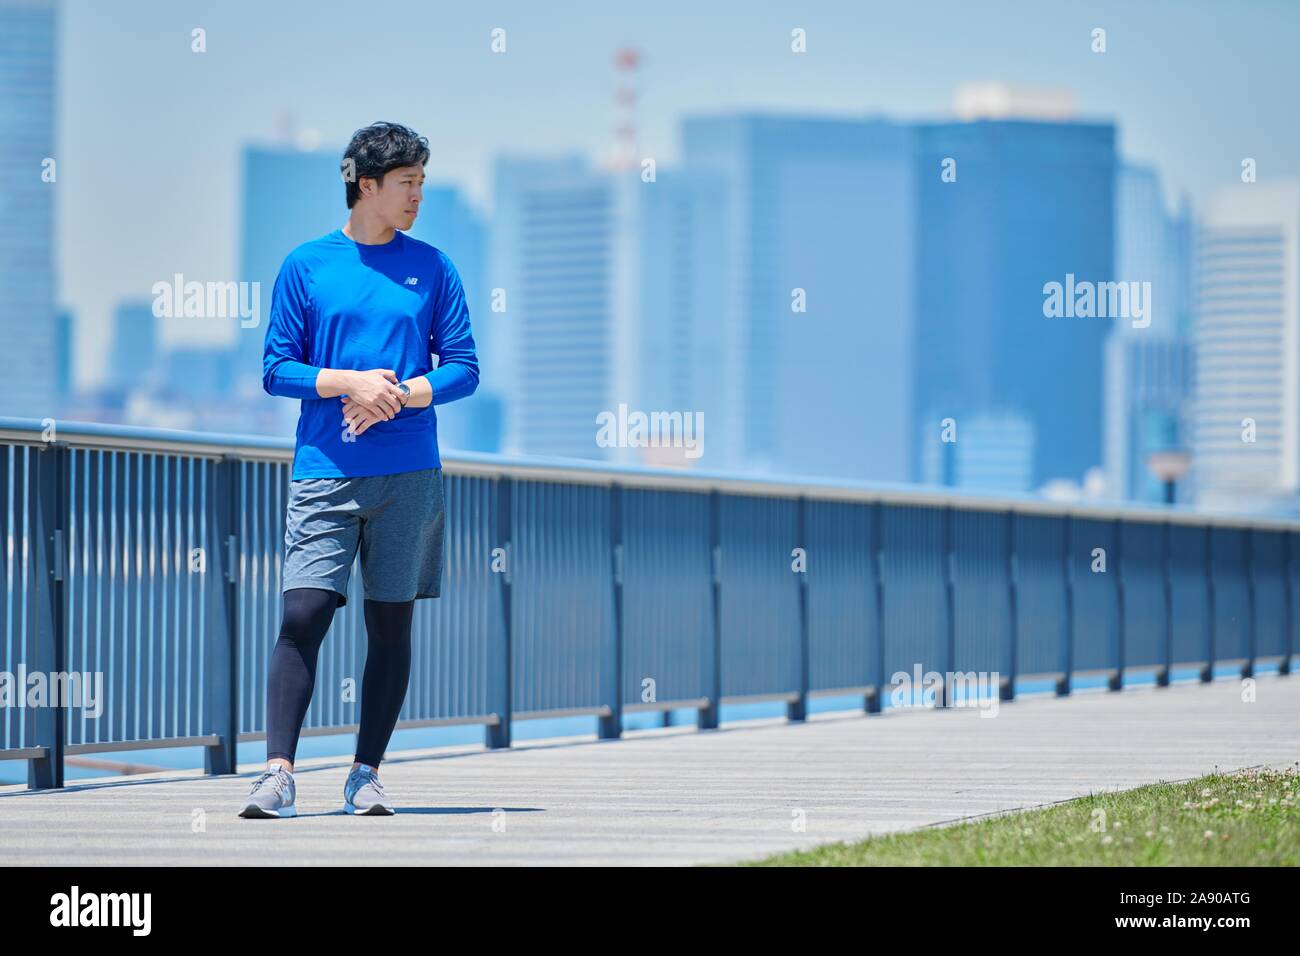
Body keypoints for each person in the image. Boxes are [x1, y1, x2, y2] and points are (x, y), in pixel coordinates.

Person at [238, 121, 479, 818]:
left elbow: (464, 368)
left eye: (422, 183)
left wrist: (397, 393)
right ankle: (278, 775)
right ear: (365, 185)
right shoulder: (306, 265)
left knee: (390, 624)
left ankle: (365, 774)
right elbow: (276, 369)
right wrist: (347, 382)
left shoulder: (433, 267)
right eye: (407, 183)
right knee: (303, 612)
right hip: (324, 470)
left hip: (410, 473)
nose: (417, 196)